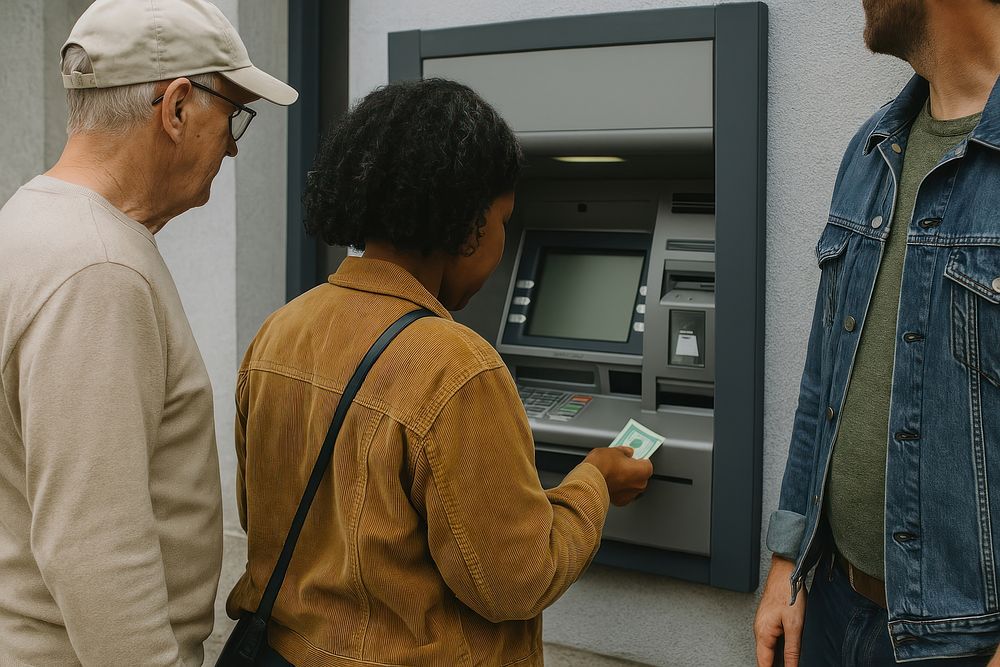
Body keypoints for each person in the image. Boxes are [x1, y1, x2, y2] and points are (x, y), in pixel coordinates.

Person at [225, 78, 653, 666]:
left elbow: (267, 520)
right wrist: (595, 481)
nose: (503, 242)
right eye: (503, 221)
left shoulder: (280, 332)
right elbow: (516, 581)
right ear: (469, 223)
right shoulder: (456, 367)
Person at [0, 1, 297, 665]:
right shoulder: (96, 268)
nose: (233, 144)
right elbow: (95, 549)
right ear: (178, 107)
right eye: (232, 114)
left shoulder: (28, 220)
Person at [755, 0, 1000, 665]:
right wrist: (787, 563)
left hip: (961, 642)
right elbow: (820, 380)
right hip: (832, 604)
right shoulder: (872, 150)